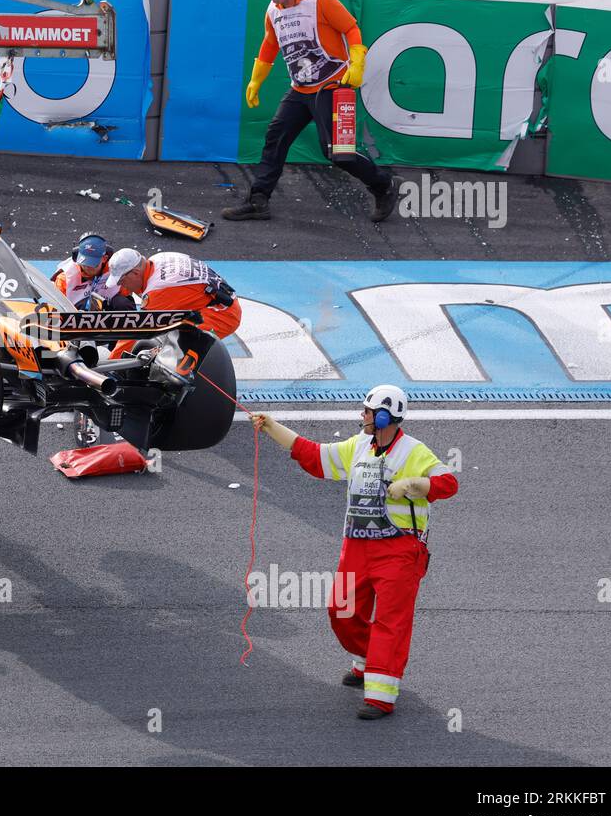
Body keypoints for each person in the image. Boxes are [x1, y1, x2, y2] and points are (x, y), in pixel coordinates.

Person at [248, 385, 459, 719]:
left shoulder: (415, 453)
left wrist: (416, 485)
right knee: (341, 611)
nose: (362, 416)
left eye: (368, 411)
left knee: (391, 622)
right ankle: (367, 659)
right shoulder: (358, 445)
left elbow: (448, 483)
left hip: (400, 551)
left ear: (385, 416)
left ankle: (381, 696)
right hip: (356, 547)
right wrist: (272, 427)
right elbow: (315, 458)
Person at [221, 0, 399, 224]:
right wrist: (256, 79)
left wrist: (358, 61)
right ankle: (258, 200)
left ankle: (383, 185)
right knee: (275, 138)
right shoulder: (273, 10)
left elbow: (350, 28)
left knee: (338, 152)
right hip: (300, 89)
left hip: (331, 85)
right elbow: (270, 44)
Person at [102, 248, 241, 359]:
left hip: (222, 315)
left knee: (170, 353)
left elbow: (137, 332)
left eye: (121, 281)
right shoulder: (157, 259)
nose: (121, 285)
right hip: (217, 298)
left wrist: (112, 362)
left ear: (135, 273)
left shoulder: (157, 292)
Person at [51, 232, 133, 311]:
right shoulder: (65, 277)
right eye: (84, 262)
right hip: (77, 314)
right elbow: (56, 307)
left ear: (104, 258)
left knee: (122, 303)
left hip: (110, 307)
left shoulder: (116, 270)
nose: (87, 267)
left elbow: (127, 296)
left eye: (92, 263)